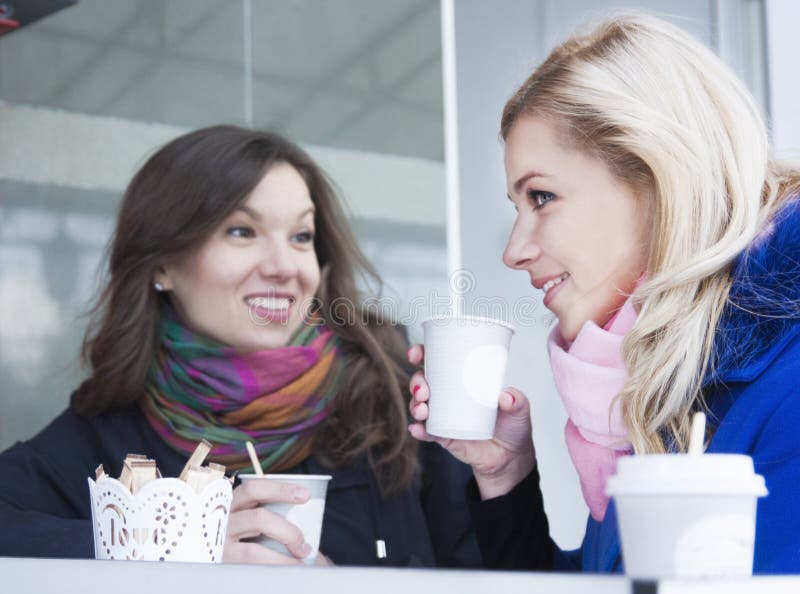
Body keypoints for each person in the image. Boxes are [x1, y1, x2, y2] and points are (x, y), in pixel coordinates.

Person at [409, 13, 800, 574]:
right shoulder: (650, 385)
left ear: (656, 178)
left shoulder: (786, 388)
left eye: (541, 197)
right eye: (515, 208)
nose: (514, 249)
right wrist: (505, 475)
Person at [0, 126, 482, 568]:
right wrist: (175, 548)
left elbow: (496, 565)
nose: (283, 265)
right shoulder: (108, 437)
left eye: (301, 236)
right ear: (162, 264)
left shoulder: (395, 398)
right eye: (241, 231)